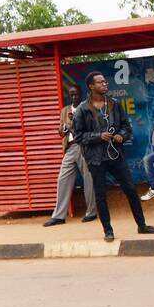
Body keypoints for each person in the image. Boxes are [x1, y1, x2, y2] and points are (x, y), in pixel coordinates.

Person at [71, 71, 154, 242]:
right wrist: (98, 136)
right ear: (91, 86)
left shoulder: (114, 104)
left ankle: (142, 225)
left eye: (105, 81)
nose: (105, 84)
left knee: (131, 190)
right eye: (100, 82)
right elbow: (78, 136)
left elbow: (127, 127)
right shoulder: (83, 109)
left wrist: (122, 136)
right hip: (96, 158)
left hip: (115, 155)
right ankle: (108, 231)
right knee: (101, 194)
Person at [43, 89, 97, 226]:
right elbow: (60, 132)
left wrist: (74, 123)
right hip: (70, 147)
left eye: (76, 94)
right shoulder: (65, 110)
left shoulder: (87, 107)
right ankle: (59, 216)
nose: (74, 97)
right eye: (71, 95)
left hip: (84, 146)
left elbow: (92, 127)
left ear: (81, 94)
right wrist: (63, 128)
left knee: (88, 180)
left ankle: (91, 212)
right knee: (63, 179)